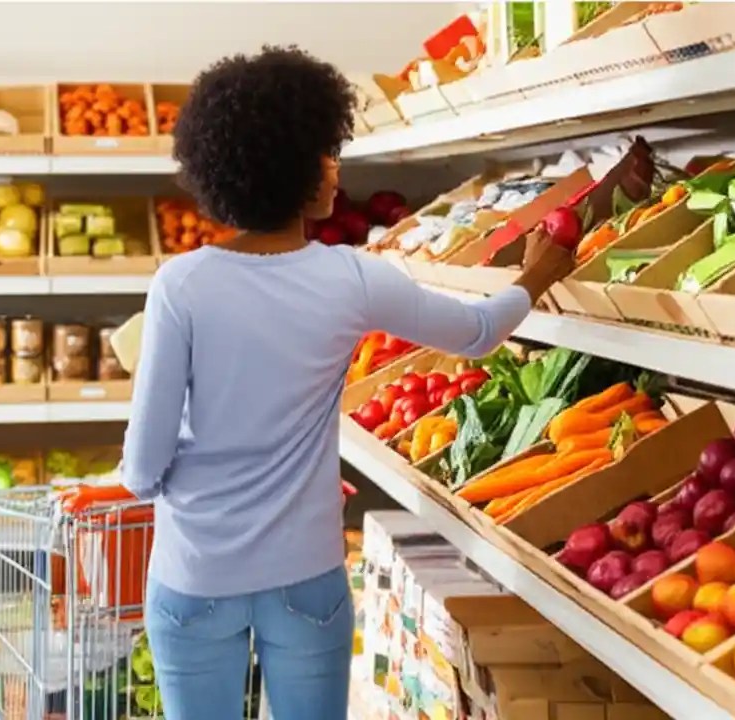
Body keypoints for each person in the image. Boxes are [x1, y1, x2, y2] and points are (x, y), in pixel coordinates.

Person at [121, 46, 573, 720]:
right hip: (305, 575)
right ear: (294, 168)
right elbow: (477, 332)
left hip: (196, 576)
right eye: (325, 151)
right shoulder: (351, 279)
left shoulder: (181, 285)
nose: (336, 165)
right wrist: (539, 273)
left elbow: (142, 468)